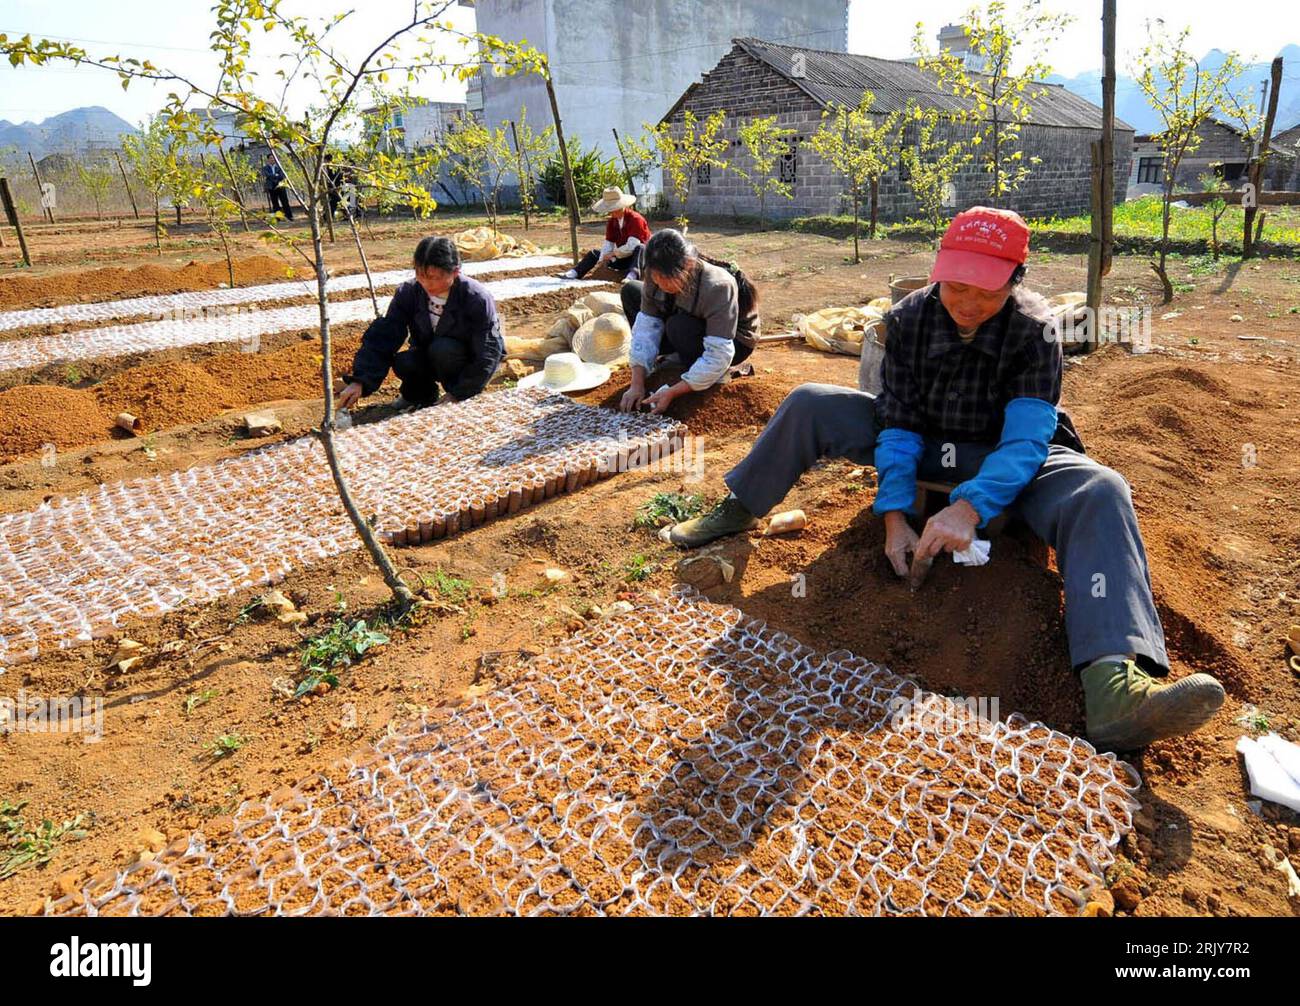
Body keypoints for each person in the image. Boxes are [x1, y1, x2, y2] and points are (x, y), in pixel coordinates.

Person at [668, 205, 1225, 753]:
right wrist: (892, 516)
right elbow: (900, 421)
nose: (966, 304)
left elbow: (1028, 439)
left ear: (1015, 279)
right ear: (939, 268)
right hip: (928, 442)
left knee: (1100, 488)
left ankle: (1111, 690)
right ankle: (741, 504)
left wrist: (971, 507)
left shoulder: (1035, 331)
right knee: (812, 401)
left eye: (985, 292)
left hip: (1001, 456)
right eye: (956, 287)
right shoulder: (911, 317)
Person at [336, 236, 504, 409]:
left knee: (443, 349)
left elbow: (488, 350)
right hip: (429, 354)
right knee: (405, 361)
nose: (426, 283)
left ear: (455, 272)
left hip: (464, 360)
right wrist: (361, 381)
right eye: (420, 275)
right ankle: (420, 396)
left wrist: (459, 393)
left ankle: (459, 395)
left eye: (434, 277)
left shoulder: (476, 298)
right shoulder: (409, 292)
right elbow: (384, 336)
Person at [617, 229, 759, 415]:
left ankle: (700, 370)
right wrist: (636, 384)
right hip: (686, 321)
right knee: (631, 291)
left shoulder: (717, 286)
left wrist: (673, 391)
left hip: (733, 342)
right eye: (656, 278)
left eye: (667, 279)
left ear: (689, 265)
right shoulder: (654, 274)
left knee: (678, 326)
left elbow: (719, 353)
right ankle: (679, 356)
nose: (660, 284)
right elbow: (645, 328)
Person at [558, 186, 650, 281]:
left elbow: (633, 245)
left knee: (640, 248)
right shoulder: (612, 222)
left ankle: (633, 274)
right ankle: (576, 272)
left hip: (641, 260)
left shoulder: (636, 219)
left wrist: (613, 254)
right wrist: (602, 259)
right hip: (622, 258)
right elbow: (608, 243)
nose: (611, 211)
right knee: (594, 253)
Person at [261, 154, 293, 221]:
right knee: (275, 203)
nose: (272, 159)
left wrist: (273, 176)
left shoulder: (279, 167)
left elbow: (281, 176)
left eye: (274, 158)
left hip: (280, 186)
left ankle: (289, 216)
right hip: (272, 187)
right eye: (271, 158)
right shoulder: (265, 168)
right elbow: (267, 175)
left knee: (285, 201)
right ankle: (278, 218)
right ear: (268, 160)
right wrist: (275, 175)